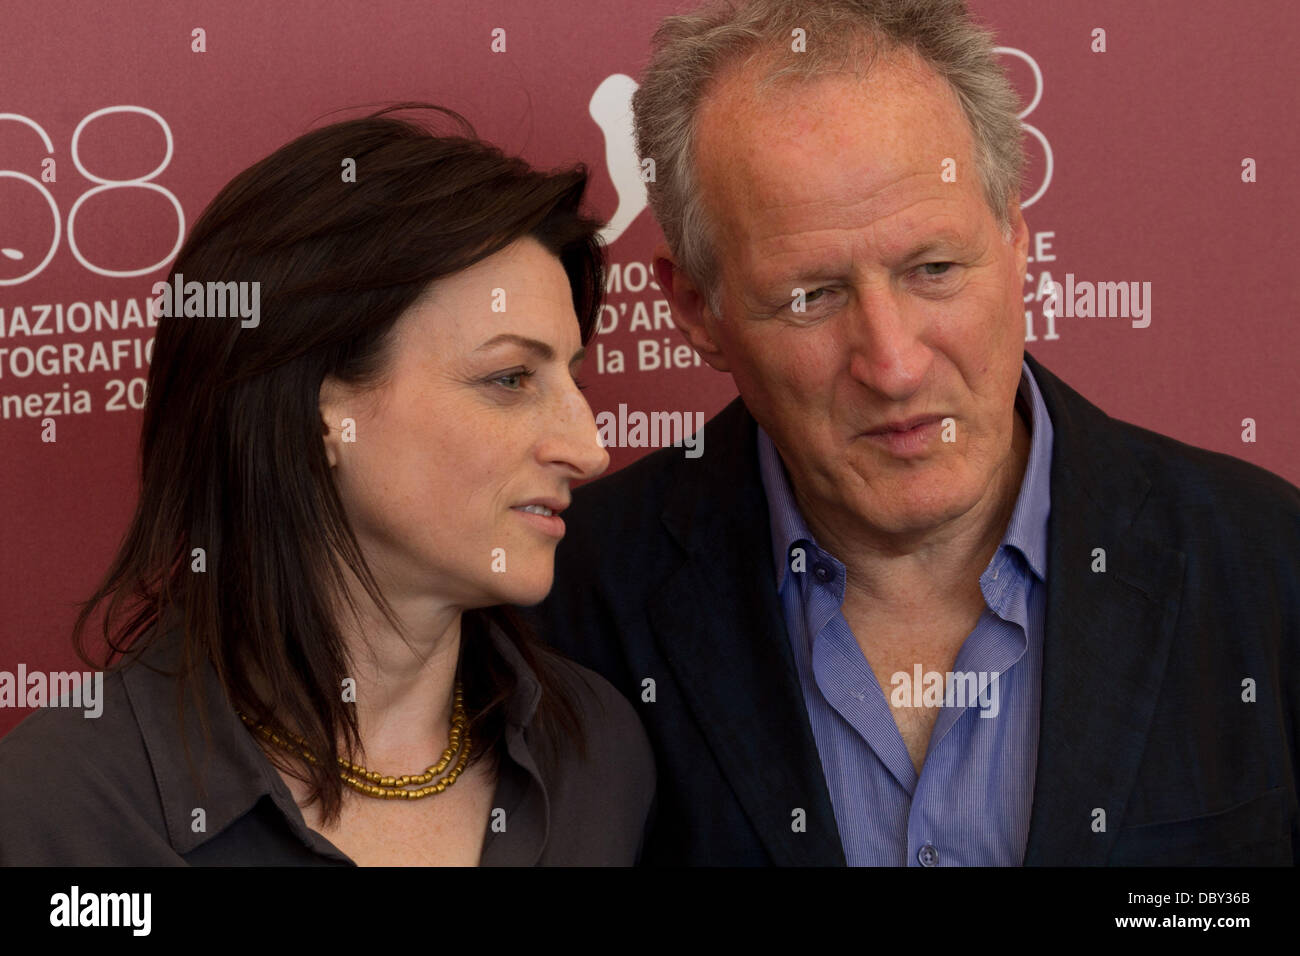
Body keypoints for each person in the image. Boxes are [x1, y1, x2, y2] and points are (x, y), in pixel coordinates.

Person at [527, 0, 1300, 865]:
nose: (892, 365)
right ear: (696, 309)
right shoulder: (565, 607)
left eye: (933, 269)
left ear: (1015, 240)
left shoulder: (1267, 563)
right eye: (811, 296)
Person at [0, 105, 655, 866]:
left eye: (573, 381)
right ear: (314, 407)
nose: (590, 449)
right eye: (509, 378)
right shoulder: (61, 817)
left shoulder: (597, 756)